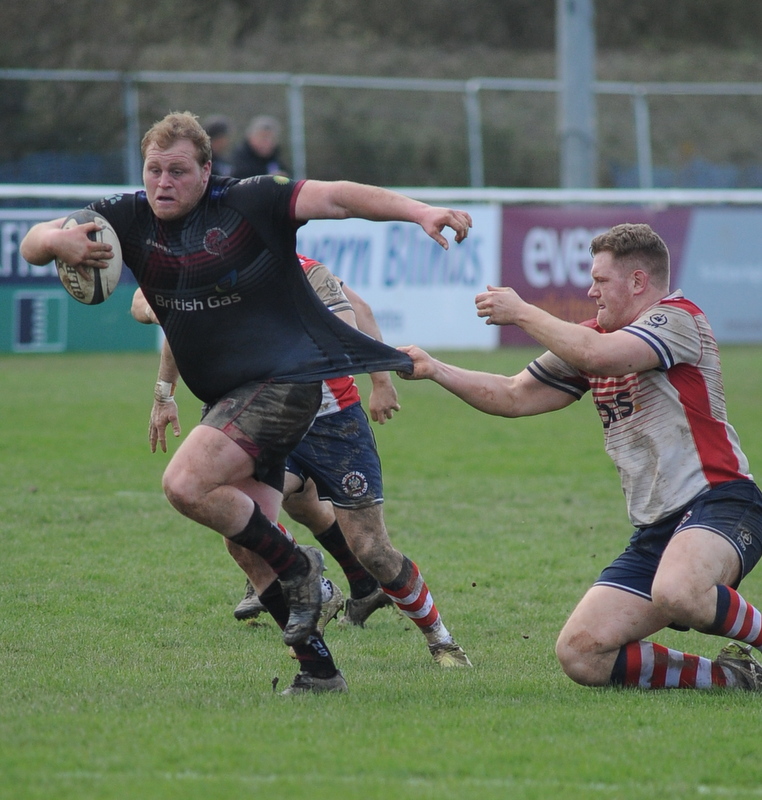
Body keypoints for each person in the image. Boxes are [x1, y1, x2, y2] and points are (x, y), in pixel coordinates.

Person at [21, 110, 472, 694]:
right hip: (230, 399)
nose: (163, 182)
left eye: (178, 171)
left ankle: (305, 566)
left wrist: (420, 211)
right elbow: (36, 242)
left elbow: (336, 197)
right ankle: (319, 672)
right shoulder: (126, 216)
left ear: (208, 171)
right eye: (154, 169)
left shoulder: (249, 201)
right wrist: (55, 238)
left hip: (286, 383)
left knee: (185, 484)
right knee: (245, 544)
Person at [399, 222, 762, 691]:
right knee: (581, 653)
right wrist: (435, 369)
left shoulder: (677, 319)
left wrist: (524, 312)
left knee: (677, 592)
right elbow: (513, 395)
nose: (591, 291)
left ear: (637, 281)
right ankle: (734, 681)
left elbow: (601, 354)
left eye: (600, 280)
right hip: (658, 528)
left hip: (720, 501)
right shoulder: (592, 341)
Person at [130, 253, 471, 667]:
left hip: (333, 424)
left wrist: (380, 380)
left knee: (372, 549)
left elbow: (349, 322)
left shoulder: (307, 273)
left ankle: (440, 638)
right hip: (267, 422)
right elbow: (145, 304)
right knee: (241, 529)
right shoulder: (208, 274)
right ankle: (310, 588)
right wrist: (167, 314)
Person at [230, 114, 289, 179]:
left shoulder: (275, 160)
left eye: (271, 138)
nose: (267, 142)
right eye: (263, 138)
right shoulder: (239, 161)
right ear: (251, 137)